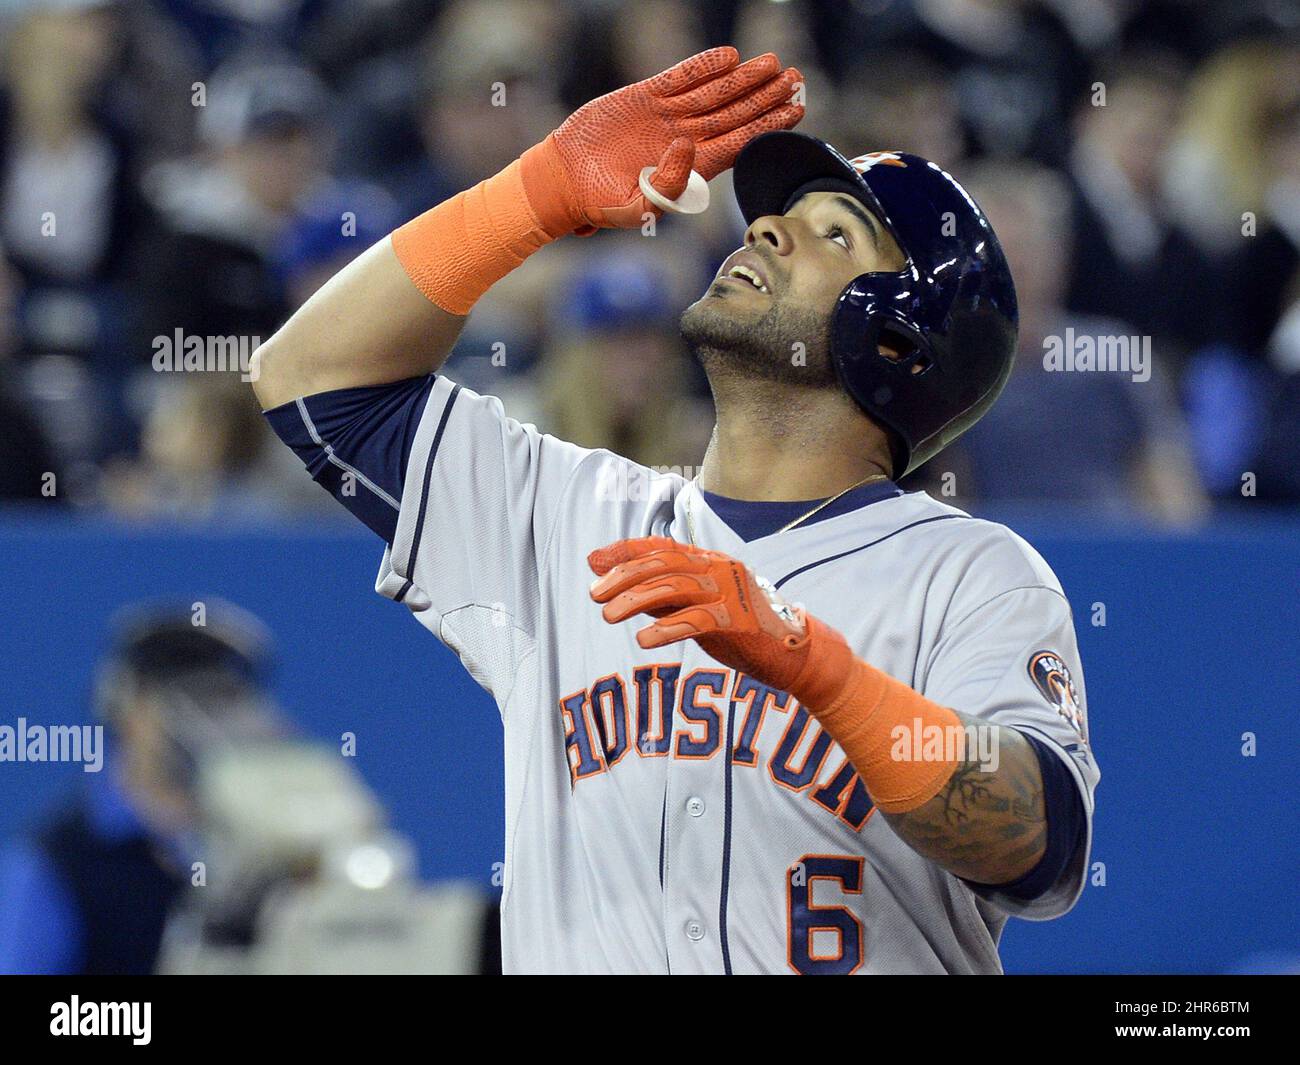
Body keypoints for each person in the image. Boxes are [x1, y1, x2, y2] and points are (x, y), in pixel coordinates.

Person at [249, 47, 1097, 974]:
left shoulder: (970, 575)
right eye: (776, 214)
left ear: (897, 340)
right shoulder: (569, 511)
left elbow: (1037, 845)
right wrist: (535, 193)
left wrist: (824, 675)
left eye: (835, 234)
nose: (766, 229)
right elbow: (314, 377)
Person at [0, 602, 278, 974]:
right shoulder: (55, 862)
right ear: (121, 705)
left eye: (218, 694)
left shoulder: (277, 851)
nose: (193, 716)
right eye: (169, 689)